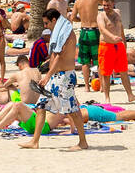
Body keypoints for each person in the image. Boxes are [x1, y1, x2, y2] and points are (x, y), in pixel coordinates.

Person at [21, 8, 88, 151]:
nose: (46, 27)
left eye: (46, 23)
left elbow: (59, 56)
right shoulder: (59, 31)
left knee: (72, 110)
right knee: (40, 106)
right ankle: (35, 141)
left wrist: (47, 76)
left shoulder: (65, 33)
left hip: (63, 77)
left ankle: (83, 142)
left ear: (54, 20)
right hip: (56, 77)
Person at [97, 0, 135, 103]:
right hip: (106, 46)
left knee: (123, 71)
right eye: (104, 5)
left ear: (113, 4)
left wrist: (124, 43)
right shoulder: (101, 16)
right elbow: (102, 29)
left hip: (118, 46)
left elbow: (121, 29)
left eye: (108, 5)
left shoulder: (118, 13)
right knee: (106, 74)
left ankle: (130, 95)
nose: (106, 7)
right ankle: (107, 98)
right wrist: (112, 37)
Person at [73, 0, 102, 93]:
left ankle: (86, 87)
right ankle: (103, 86)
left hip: (83, 31)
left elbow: (73, 17)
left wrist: (82, 20)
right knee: (98, 60)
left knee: (85, 62)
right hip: (94, 31)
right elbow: (108, 2)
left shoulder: (78, 1)